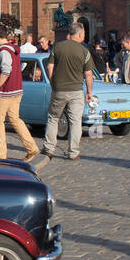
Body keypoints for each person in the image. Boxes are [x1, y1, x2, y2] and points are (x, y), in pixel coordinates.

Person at [42, 23, 94, 160]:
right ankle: (73, 152)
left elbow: (49, 67)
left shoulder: (57, 47)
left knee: (53, 118)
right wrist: (89, 92)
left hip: (59, 89)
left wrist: (53, 83)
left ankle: (49, 149)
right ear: (80, 34)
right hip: (76, 91)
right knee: (75, 122)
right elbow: (88, 74)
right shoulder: (84, 51)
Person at [0, 27, 39, 163]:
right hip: (17, 90)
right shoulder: (14, 49)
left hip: (6, 92)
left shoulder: (4, 51)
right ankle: (32, 147)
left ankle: (1, 155)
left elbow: (6, 71)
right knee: (15, 120)